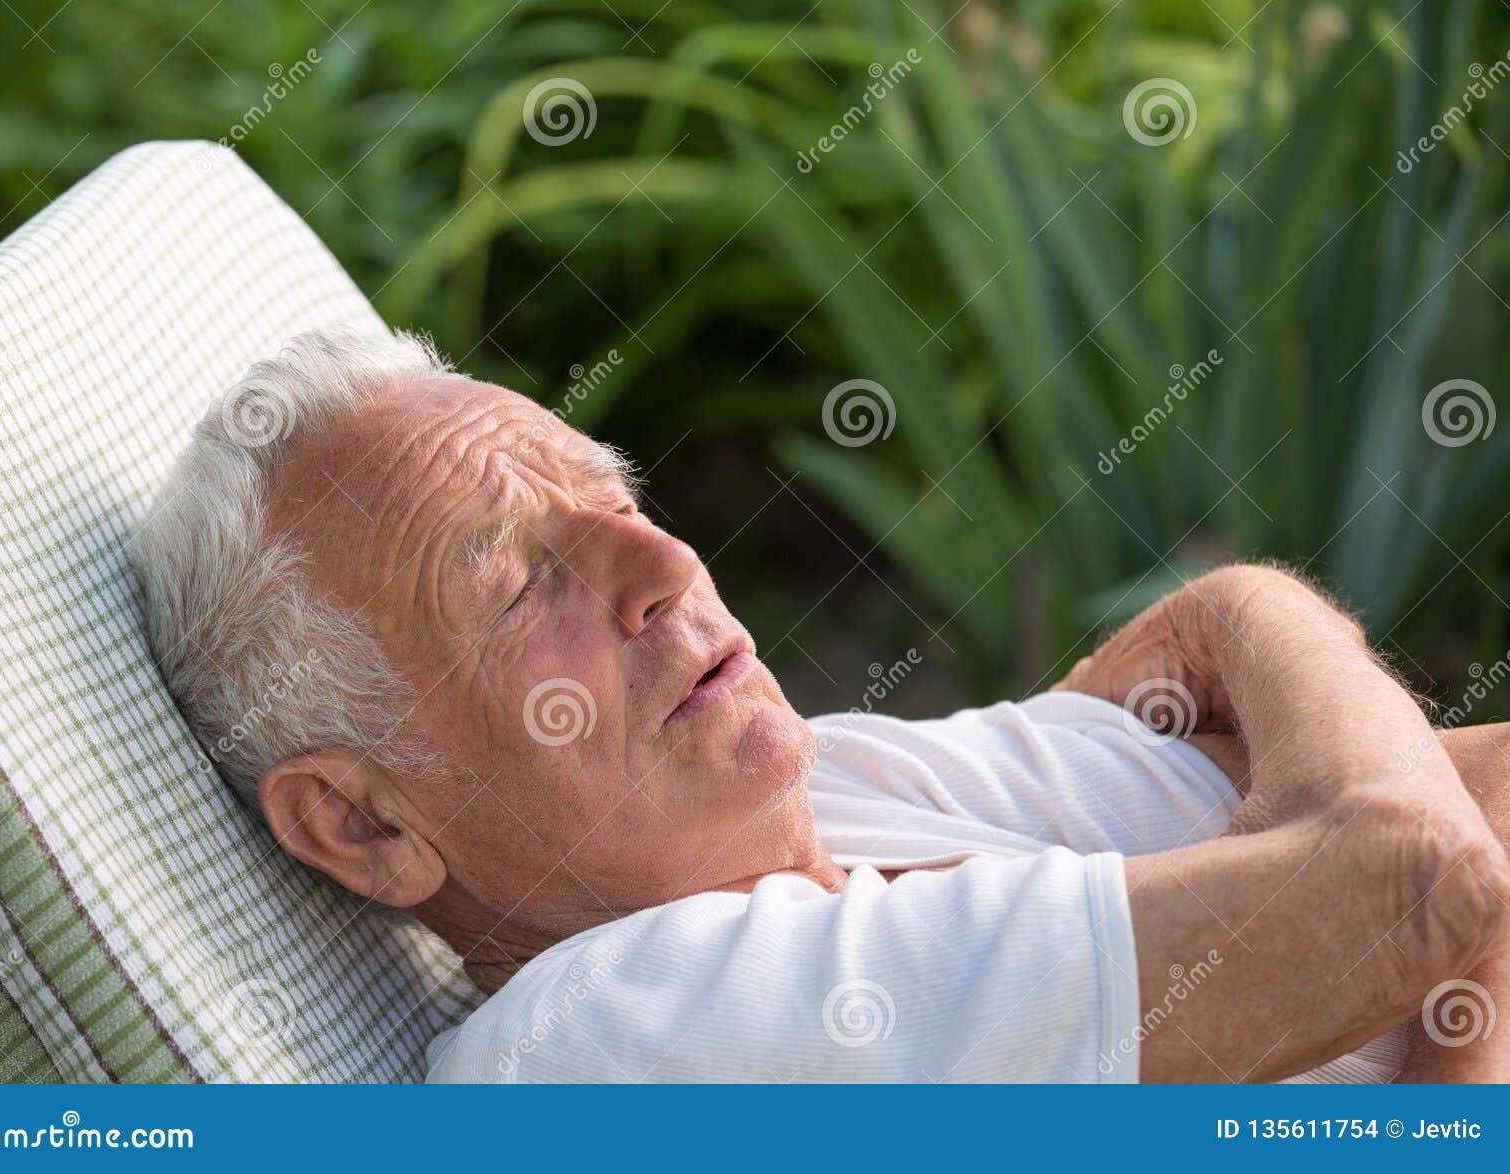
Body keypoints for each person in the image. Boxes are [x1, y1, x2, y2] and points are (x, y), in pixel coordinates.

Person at [133, 328, 1510, 1083]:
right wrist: (1333, 774)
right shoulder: (610, 1038)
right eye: (512, 587)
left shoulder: (826, 788)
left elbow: (1415, 804)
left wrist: (1250, 623)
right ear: (366, 823)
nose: (669, 569)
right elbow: (1421, 875)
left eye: (616, 503)